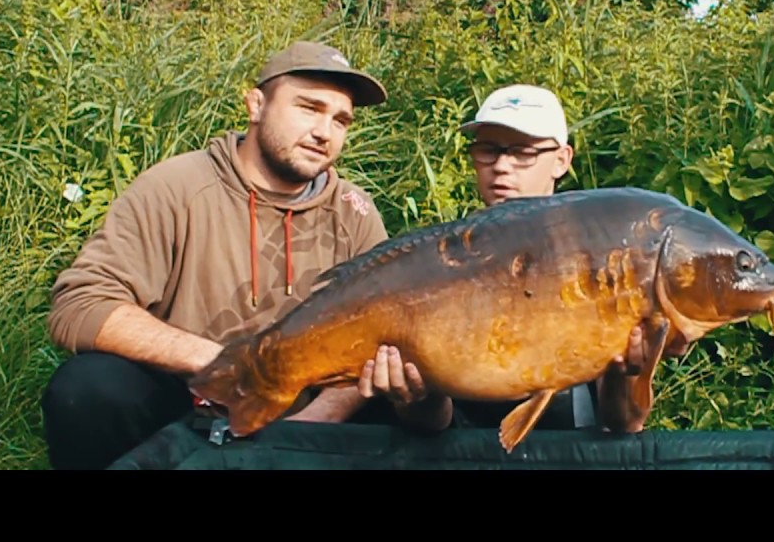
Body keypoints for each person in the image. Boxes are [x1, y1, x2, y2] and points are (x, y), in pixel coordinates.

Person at [41, 40, 394, 470]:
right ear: (256, 105)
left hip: (305, 414)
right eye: (308, 108)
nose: (325, 132)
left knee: (410, 401)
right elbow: (81, 304)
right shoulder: (178, 186)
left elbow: (384, 338)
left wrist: (312, 422)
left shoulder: (355, 214)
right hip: (188, 402)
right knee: (89, 387)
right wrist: (222, 364)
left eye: (341, 120)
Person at [357, 83, 690, 436]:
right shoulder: (434, 259)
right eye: (488, 149)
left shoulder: (599, 259)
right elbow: (432, 427)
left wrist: (631, 371)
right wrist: (415, 396)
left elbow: (625, 423)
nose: (501, 166)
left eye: (522, 152)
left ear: (561, 159)